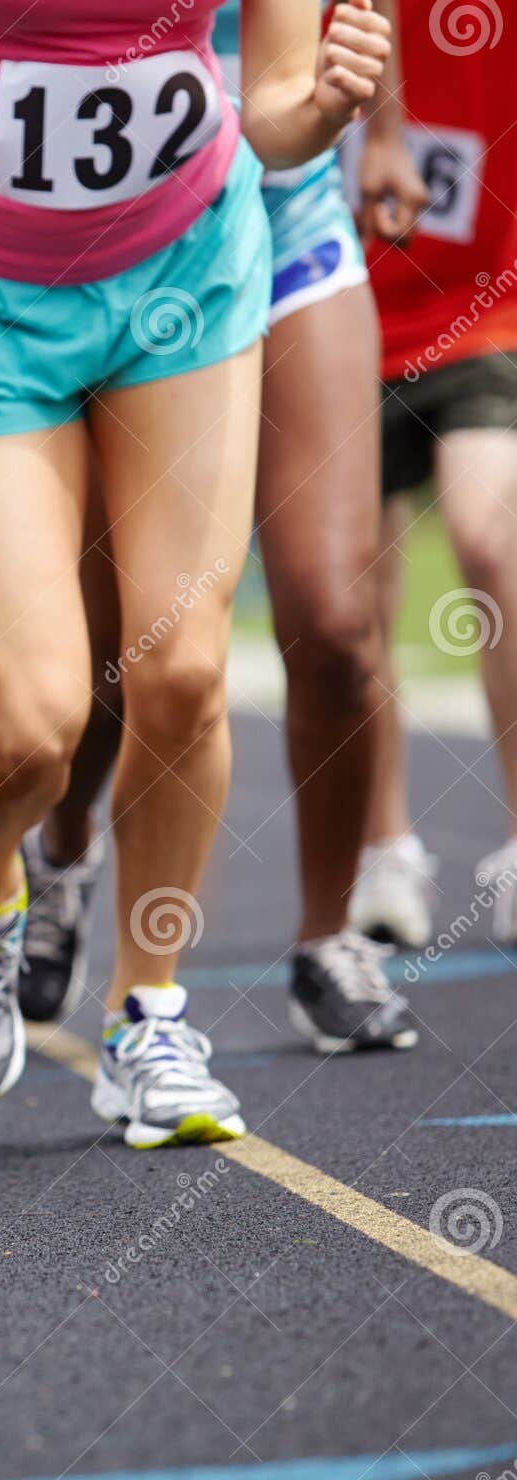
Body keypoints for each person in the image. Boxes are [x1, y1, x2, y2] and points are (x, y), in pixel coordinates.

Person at [0, 0, 390, 1147]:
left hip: (185, 271)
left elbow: (269, 112)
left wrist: (321, 107)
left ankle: (146, 1016)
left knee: (185, 674)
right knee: (33, 727)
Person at [22, 0, 428, 1054]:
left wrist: (381, 129)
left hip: (291, 227)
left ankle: (328, 935)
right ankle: (59, 854)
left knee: (335, 624)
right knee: (119, 660)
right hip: (137, 252)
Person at [351, 5, 517, 950]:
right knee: (357, 598)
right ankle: (385, 848)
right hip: (349, 319)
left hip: (484, 313)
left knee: (488, 543)